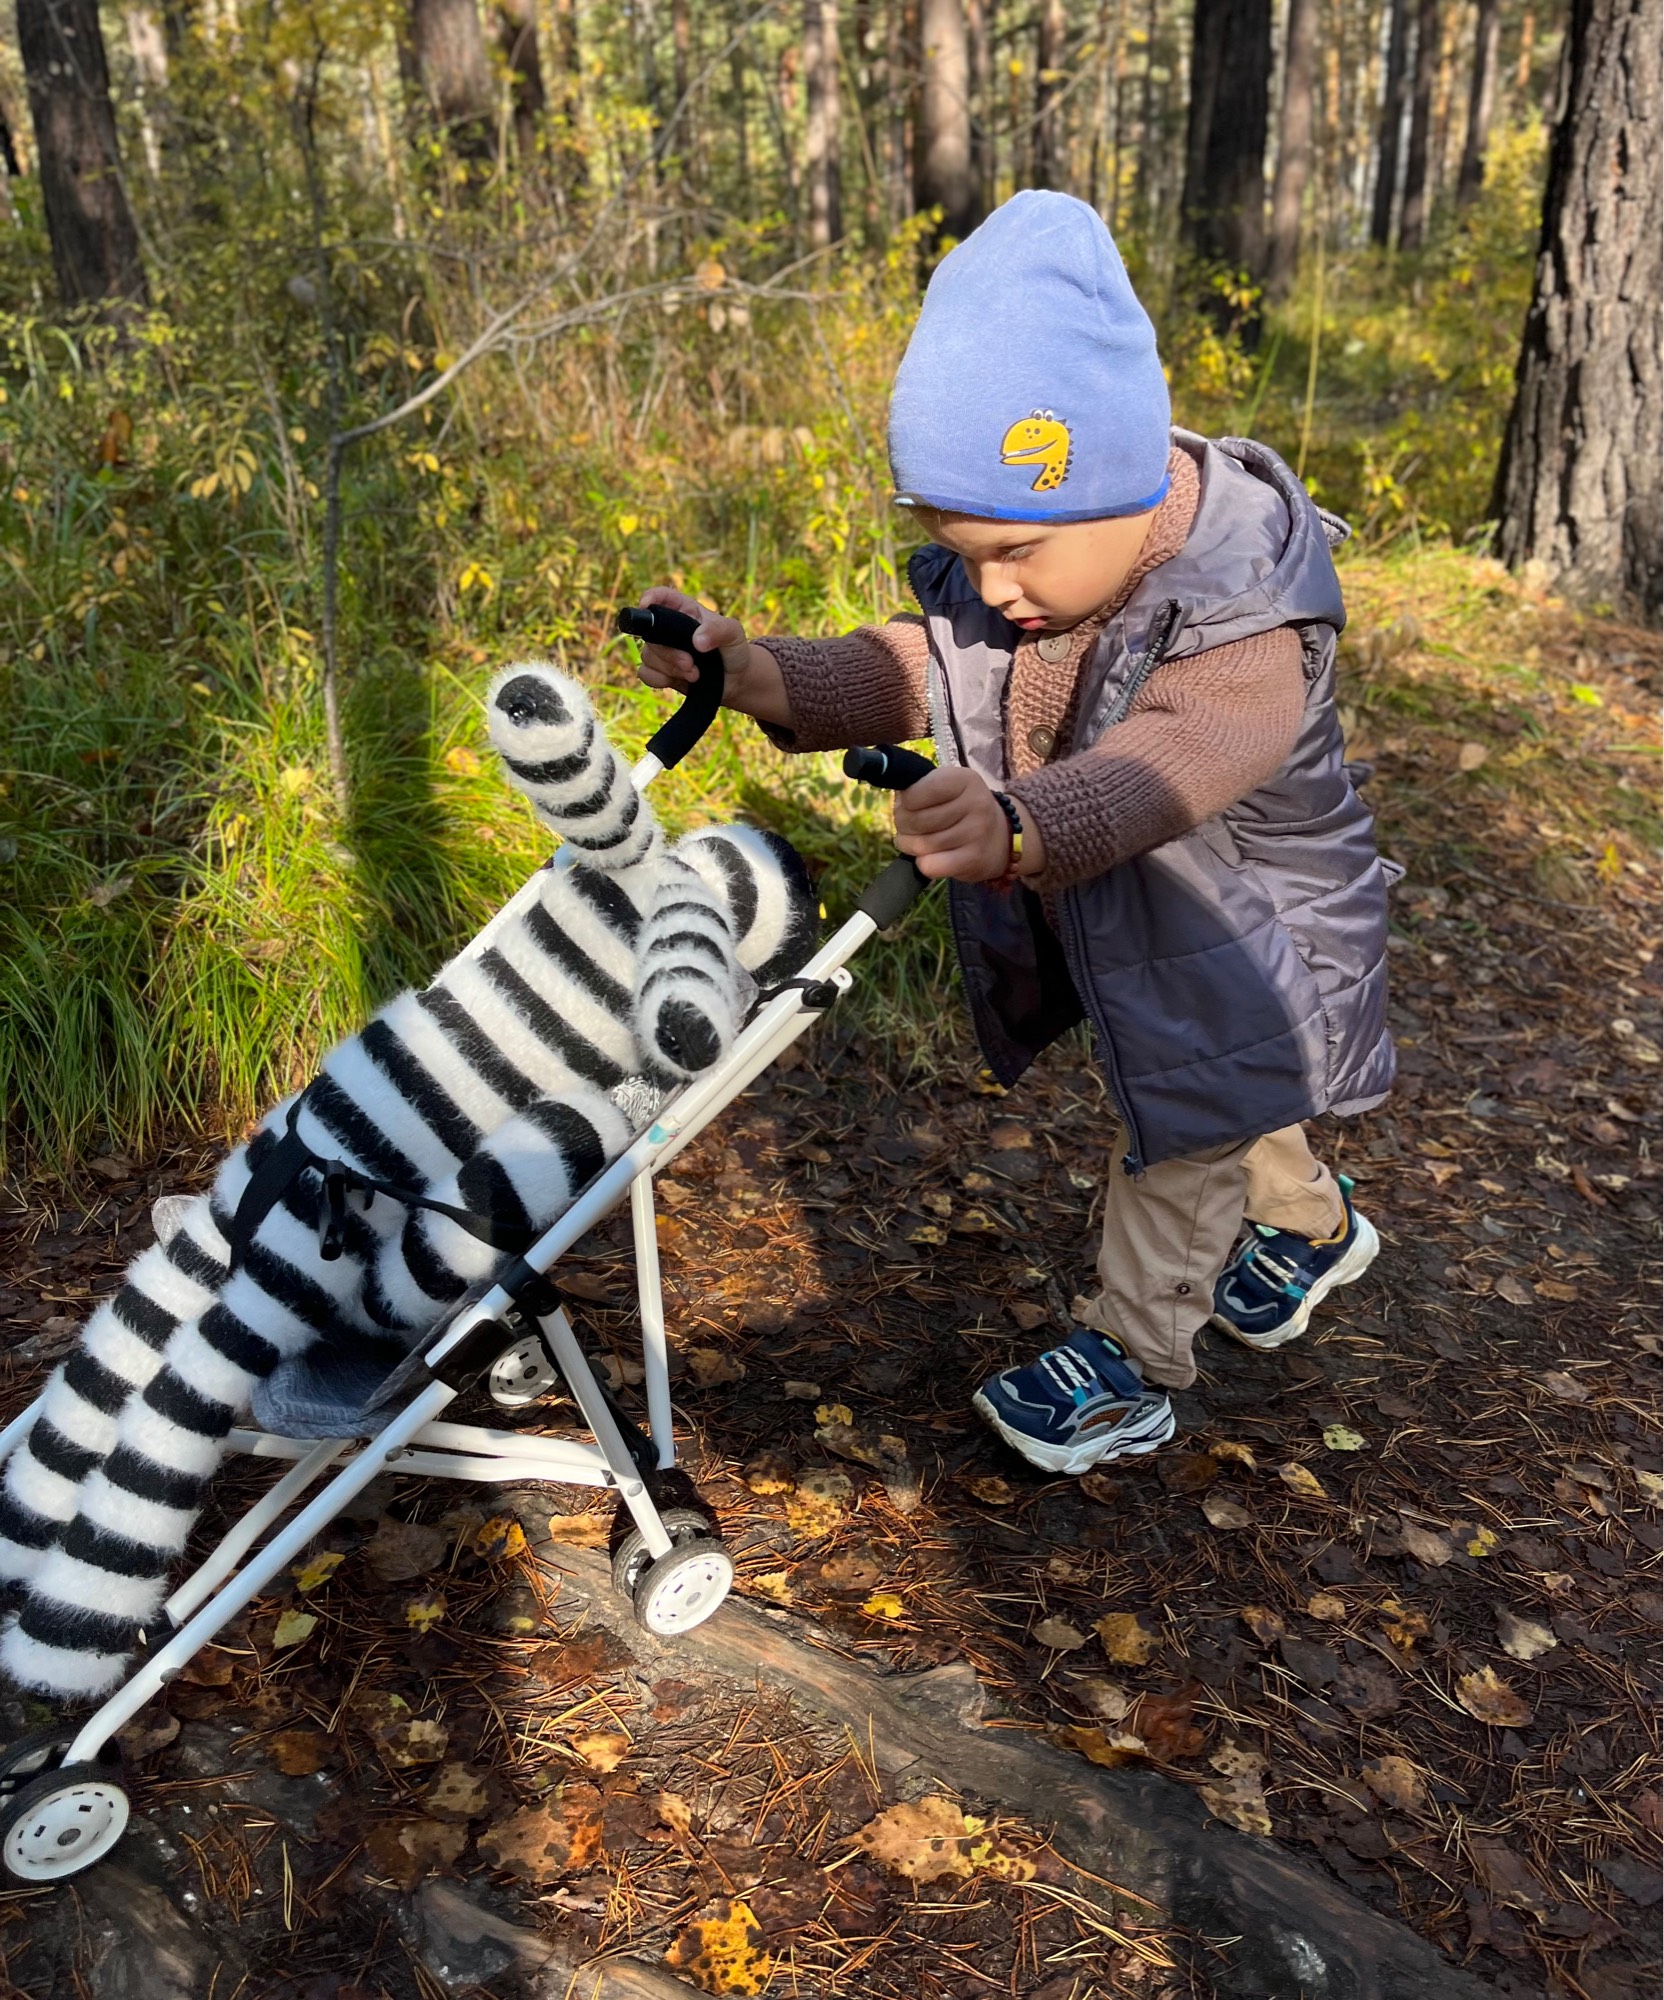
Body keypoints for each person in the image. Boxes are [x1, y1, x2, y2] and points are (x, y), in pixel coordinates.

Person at [631, 190, 1395, 1476]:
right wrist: (757, 674)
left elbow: (1173, 762)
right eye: (956, 549)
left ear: (1119, 475)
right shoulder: (1039, 578)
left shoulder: (1247, 612)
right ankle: (1313, 1230)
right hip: (1146, 927)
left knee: (1184, 1122)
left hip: (1255, 932)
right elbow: (918, 666)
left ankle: (1132, 1359)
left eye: (1012, 551)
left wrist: (1019, 822)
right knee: (1228, 1101)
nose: (988, 588)